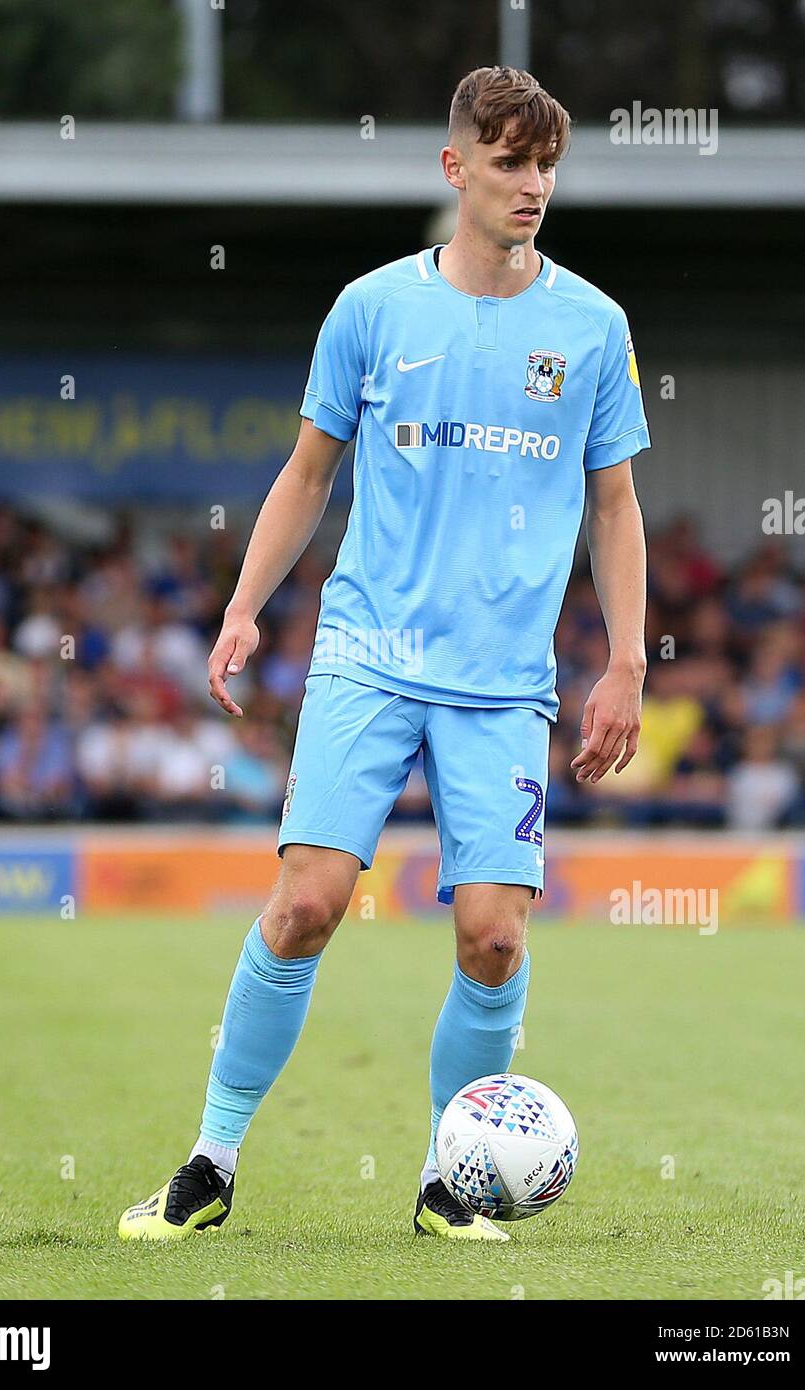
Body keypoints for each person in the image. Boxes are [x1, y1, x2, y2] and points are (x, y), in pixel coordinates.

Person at [119, 65, 649, 1243]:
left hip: (506, 677)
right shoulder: (369, 309)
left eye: (545, 165)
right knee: (306, 904)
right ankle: (209, 1160)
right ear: (454, 168)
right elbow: (308, 473)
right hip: (367, 653)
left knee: (494, 936)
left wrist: (624, 662)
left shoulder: (592, 327)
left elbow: (612, 505)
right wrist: (245, 606)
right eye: (508, 163)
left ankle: (444, 1186)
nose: (531, 186)